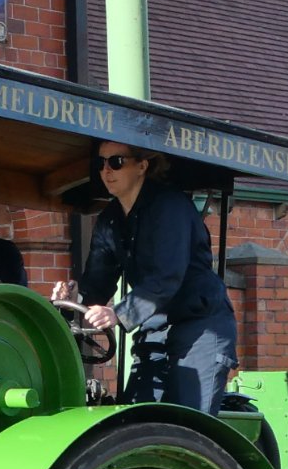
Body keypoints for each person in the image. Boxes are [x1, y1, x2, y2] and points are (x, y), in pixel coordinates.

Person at [57, 141, 238, 415]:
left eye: (116, 162)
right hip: (155, 328)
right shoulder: (110, 220)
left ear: (142, 166)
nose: (106, 170)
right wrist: (74, 299)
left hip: (200, 325)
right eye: (101, 164)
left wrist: (118, 313)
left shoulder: (170, 206)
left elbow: (166, 277)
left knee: (190, 423)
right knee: (136, 419)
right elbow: (97, 281)